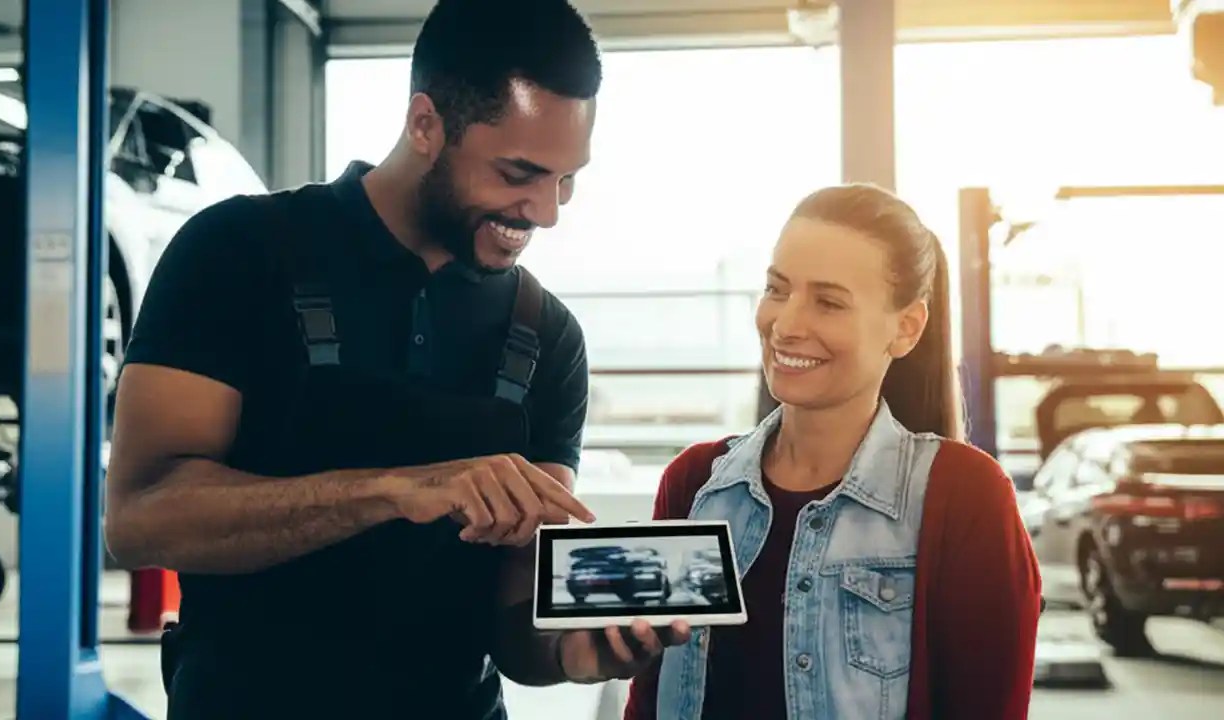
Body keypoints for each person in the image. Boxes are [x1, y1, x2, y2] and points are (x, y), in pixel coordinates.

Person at [103, 1, 688, 717]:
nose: (546, 211)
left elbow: (513, 628)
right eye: (518, 173)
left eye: (566, 179)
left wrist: (573, 652)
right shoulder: (235, 253)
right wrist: (395, 491)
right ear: (424, 125)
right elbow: (140, 520)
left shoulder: (549, 338)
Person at [624, 184, 1042, 719]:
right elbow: (647, 700)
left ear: (907, 327)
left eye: (828, 302)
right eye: (777, 289)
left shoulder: (963, 497)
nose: (787, 324)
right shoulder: (695, 483)